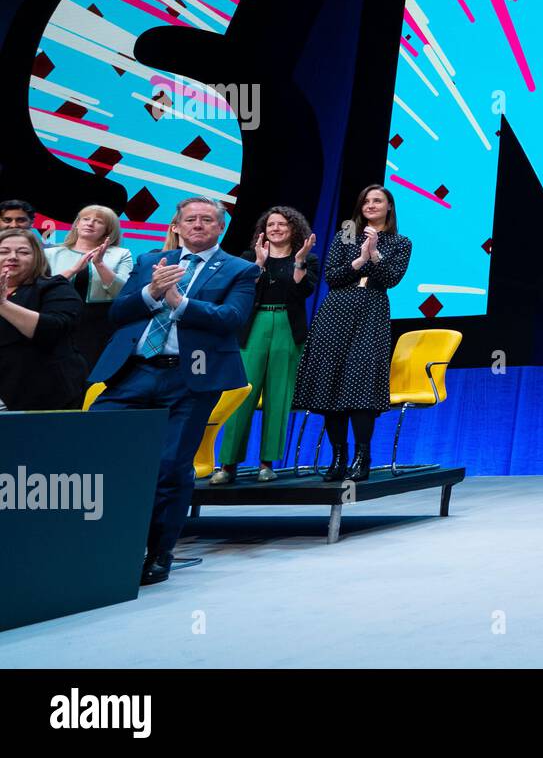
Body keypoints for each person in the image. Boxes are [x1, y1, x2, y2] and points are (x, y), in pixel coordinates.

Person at [88, 197, 259, 585]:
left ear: (220, 228)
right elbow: (117, 314)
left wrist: (179, 302)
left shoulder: (240, 269)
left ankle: (159, 552)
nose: (198, 225)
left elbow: (231, 318)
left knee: (169, 467)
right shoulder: (150, 262)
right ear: (177, 226)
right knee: (92, 446)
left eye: (207, 220)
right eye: (191, 219)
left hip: (190, 378)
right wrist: (150, 294)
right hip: (133, 372)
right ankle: (99, 542)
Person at [293, 185, 411, 482]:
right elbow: (332, 277)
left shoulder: (400, 242)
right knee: (331, 384)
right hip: (336, 311)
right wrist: (359, 259)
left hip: (372, 310)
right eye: (366, 201)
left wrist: (374, 255)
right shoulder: (345, 235)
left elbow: (391, 279)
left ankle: (362, 456)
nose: (371, 205)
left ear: (389, 207)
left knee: (360, 384)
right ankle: (338, 456)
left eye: (377, 201)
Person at [211, 207, 319, 484]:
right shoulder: (249, 258)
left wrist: (299, 262)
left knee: (278, 397)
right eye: (271, 224)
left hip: (287, 326)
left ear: (293, 229)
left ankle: (266, 463)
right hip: (255, 325)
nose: (276, 228)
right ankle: (228, 465)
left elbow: (302, 292)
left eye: (282, 224)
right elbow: (242, 290)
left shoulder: (307, 259)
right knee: (241, 394)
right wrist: (258, 264)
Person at [0, 228, 87, 412]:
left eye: (23, 252)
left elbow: (51, 330)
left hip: (43, 394)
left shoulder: (54, 287)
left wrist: (3, 304)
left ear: (37, 257)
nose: (12, 257)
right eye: (3, 251)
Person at [45, 205, 134, 369]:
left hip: (98, 325)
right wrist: (72, 271)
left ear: (108, 230)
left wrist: (100, 264)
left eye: (98, 221)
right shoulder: (51, 253)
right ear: (77, 224)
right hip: (58, 318)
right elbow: (42, 288)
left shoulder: (121, 254)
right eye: (86, 219)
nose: (90, 223)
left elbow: (123, 292)